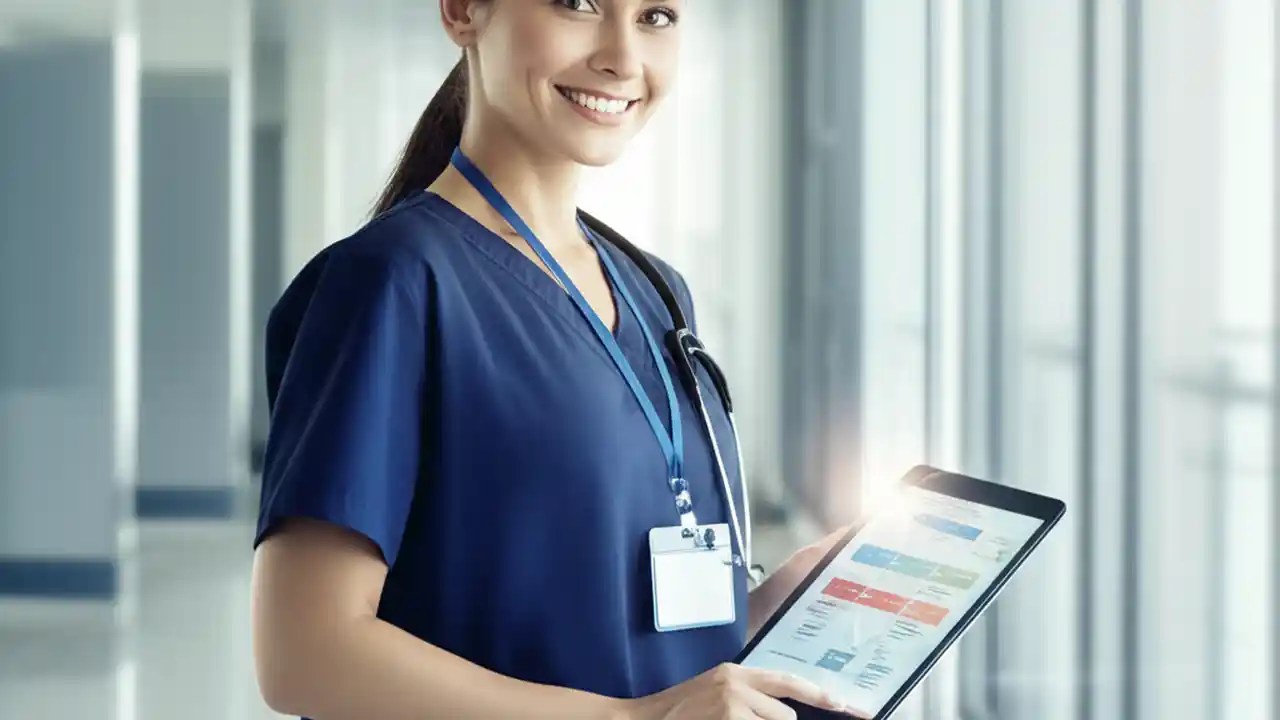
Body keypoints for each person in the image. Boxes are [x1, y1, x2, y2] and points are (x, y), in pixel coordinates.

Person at [251, 1, 851, 718]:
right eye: (577, 3)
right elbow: (306, 653)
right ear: (464, 12)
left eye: (657, 15)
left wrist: (769, 610)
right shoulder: (393, 284)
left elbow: (607, 636)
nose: (623, 57)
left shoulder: (656, 289)